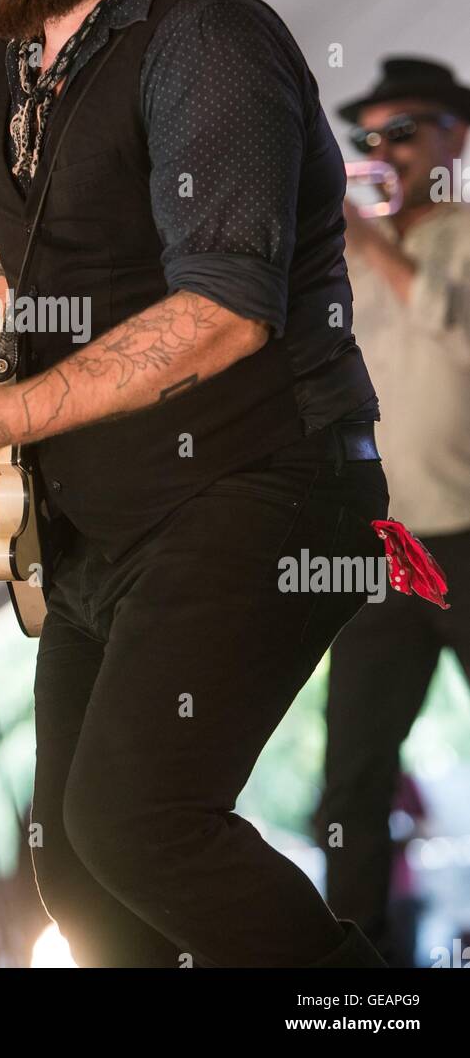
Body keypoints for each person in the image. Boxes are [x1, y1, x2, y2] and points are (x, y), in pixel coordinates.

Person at [0, 0, 392, 967]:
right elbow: (32, 274)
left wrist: (10, 414)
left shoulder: (211, 43)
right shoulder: (11, 61)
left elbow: (224, 310)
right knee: (74, 868)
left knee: (136, 821)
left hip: (265, 488)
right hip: (105, 521)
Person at [317, 57, 470, 965]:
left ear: (455, 133)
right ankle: (356, 979)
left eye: (401, 132)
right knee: (351, 780)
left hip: (469, 531)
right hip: (385, 544)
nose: (383, 153)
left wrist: (370, 242)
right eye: (367, 140)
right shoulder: (351, 257)